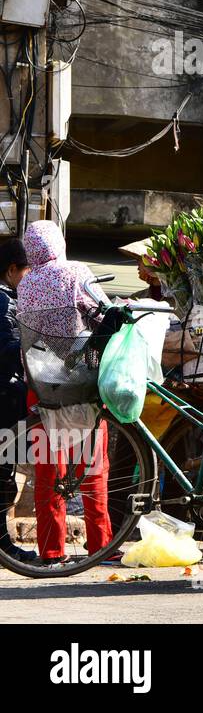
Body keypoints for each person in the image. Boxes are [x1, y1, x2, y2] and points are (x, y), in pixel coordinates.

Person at [17, 221, 114, 564]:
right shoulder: (74, 272)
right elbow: (103, 314)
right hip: (79, 381)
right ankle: (100, 546)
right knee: (92, 467)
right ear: (60, 242)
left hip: (40, 385)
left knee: (48, 473)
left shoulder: (25, 283)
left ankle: (51, 550)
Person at [0, 238, 35, 562]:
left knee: (4, 473)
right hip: (3, 399)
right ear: (12, 270)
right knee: (2, 474)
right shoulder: (4, 302)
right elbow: (8, 349)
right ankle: (4, 546)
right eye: (27, 271)